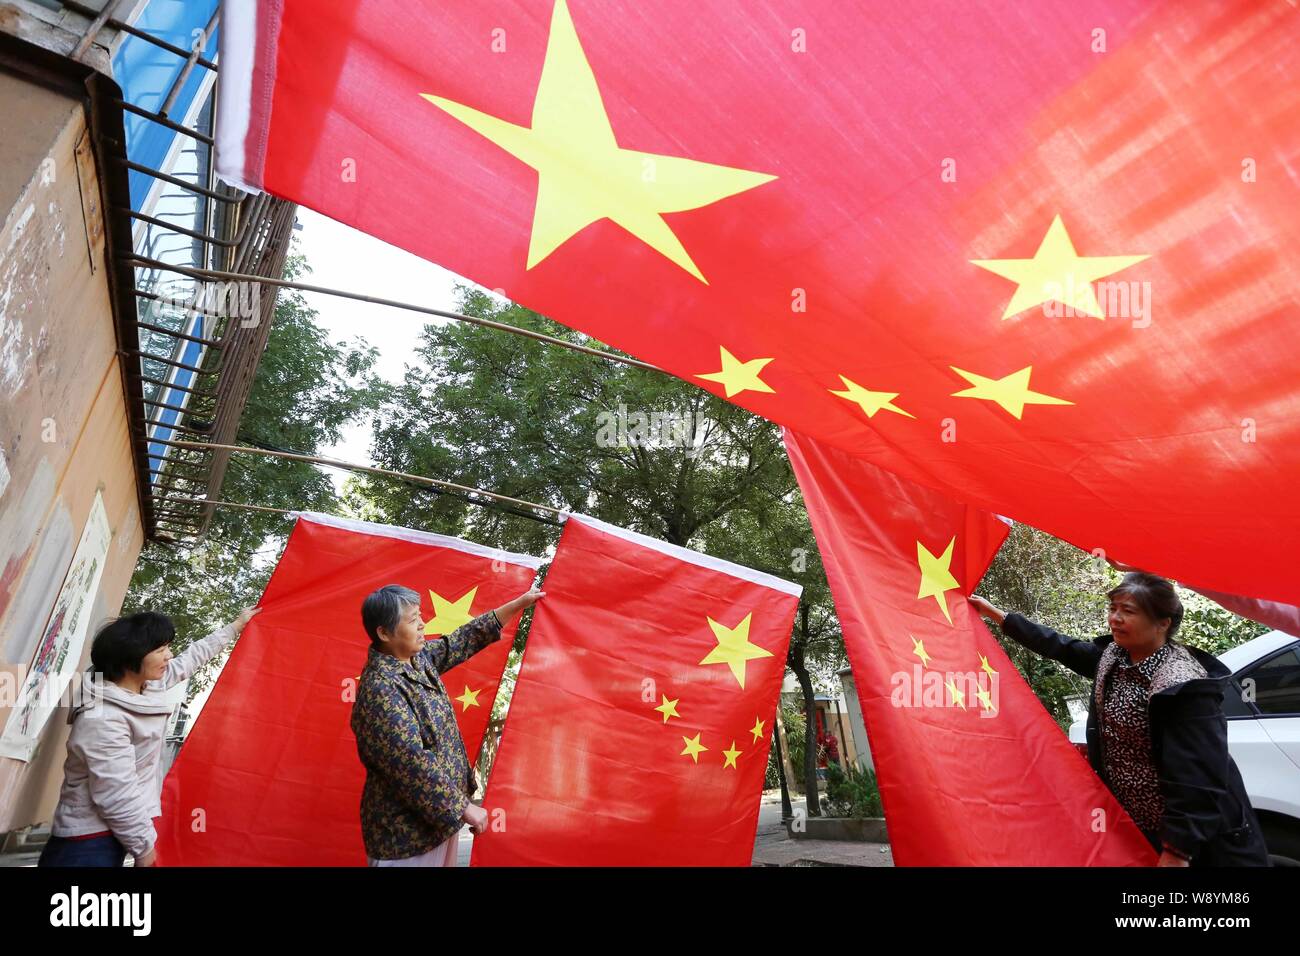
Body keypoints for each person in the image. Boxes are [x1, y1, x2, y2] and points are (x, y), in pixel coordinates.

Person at [969, 572, 1269, 867]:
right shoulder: (1116, 657)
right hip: (1139, 825)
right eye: (1112, 608)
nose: (1115, 618)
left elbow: (1199, 776)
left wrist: (1178, 850)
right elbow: (1062, 647)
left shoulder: (1184, 686)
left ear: (1162, 623)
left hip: (1201, 841)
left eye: (1128, 611)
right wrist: (1000, 616)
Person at [38, 606, 261, 867]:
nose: (169, 655)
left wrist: (235, 626)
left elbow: (190, 659)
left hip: (117, 833)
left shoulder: (147, 687)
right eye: (160, 650)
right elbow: (116, 794)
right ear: (130, 659)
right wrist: (144, 851)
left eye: (167, 647)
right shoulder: (102, 718)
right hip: (86, 842)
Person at [351, 584, 544, 867]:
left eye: (420, 616)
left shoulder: (417, 659)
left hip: (438, 825)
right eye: (412, 619)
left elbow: (461, 640)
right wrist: (464, 808)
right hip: (406, 839)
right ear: (384, 633)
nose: (422, 624)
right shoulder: (380, 688)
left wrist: (517, 605)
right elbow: (411, 763)